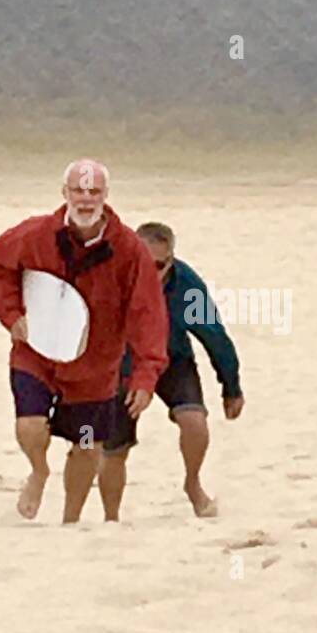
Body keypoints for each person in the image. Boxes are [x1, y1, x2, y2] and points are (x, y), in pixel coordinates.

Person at [0, 160, 168, 523]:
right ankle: (39, 471)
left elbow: (149, 315)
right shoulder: (35, 234)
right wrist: (11, 314)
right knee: (30, 425)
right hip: (37, 355)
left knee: (86, 445)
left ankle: (71, 522)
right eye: (78, 191)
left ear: (106, 196)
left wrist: (146, 376)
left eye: (93, 191)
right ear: (64, 193)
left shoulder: (129, 250)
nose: (85, 199)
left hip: (95, 368)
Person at [99, 222, 244, 519]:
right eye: (141, 262)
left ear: (172, 261)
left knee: (195, 422)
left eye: (159, 265)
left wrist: (231, 388)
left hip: (171, 360)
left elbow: (215, 336)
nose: (149, 273)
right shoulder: (107, 278)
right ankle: (110, 518)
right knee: (115, 449)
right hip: (122, 366)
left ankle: (192, 484)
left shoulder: (185, 285)